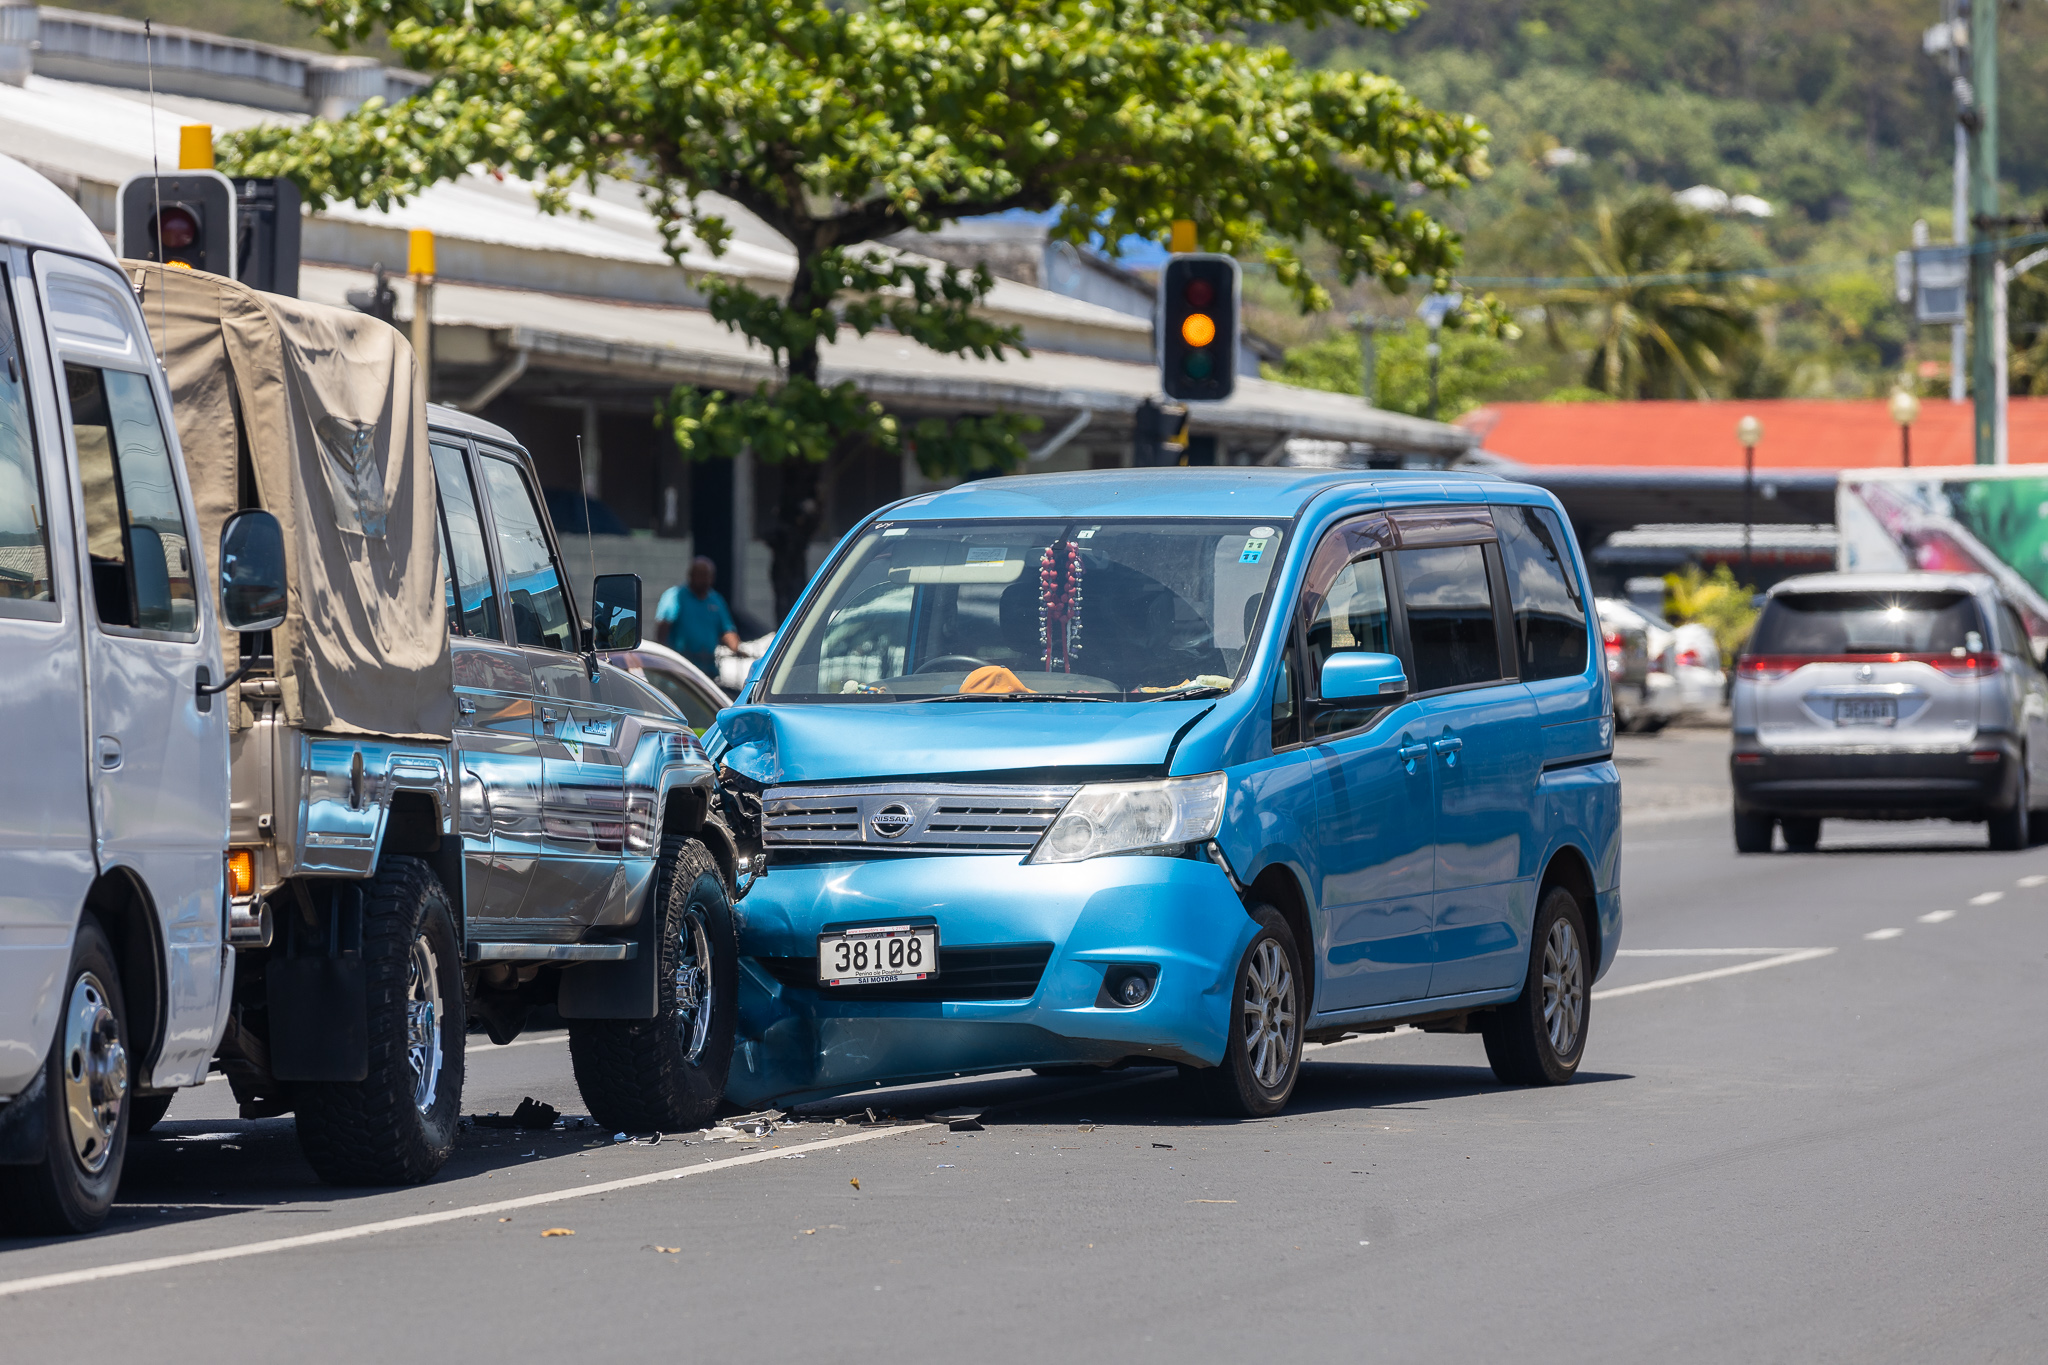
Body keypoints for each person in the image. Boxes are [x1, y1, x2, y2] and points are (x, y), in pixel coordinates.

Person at [655, 555, 744, 677]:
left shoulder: (716, 600)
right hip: (680, 669)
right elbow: (663, 628)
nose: (704, 580)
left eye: (708, 575)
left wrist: (737, 648)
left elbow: (726, 630)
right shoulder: (675, 596)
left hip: (708, 669)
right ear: (691, 575)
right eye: (700, 575)